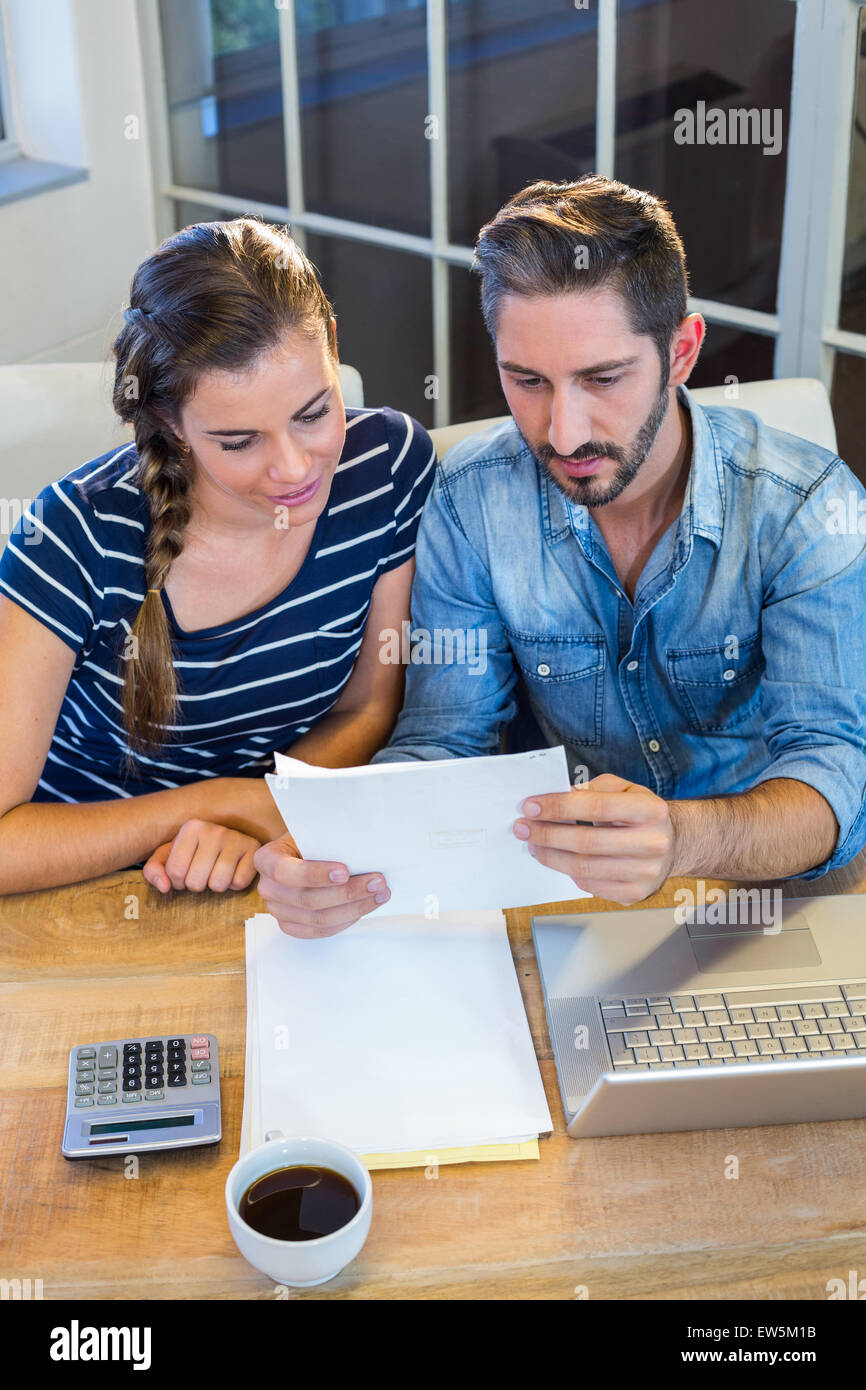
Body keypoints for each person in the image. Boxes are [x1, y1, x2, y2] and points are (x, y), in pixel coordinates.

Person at [255, 175, 866, 936]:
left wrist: (684, 839)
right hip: (549, 887)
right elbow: (445, 740)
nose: (565, 433)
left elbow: (835, 775)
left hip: (755, 883)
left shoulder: (806, 509)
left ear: (681, 351)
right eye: (528, 381)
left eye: (603, 379)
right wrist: (342, 852)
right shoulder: (470, 502)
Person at [0, 217, 434, 896]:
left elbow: (368, 709)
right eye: (239, 441)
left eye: (314, 413)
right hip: (76, 885)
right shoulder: (73, 533)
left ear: (333, 348)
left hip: (263, 859)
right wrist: (216, 807)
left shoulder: (388, 467)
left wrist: (260, 816)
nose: (295, 469)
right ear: (168, 421)